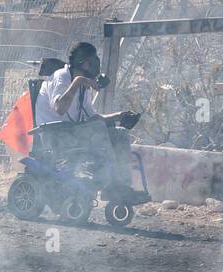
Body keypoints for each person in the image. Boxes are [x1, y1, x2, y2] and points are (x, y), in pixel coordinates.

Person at [34, 41, 145, 203]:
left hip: (71, 133)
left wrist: (118, 116)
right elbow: (59, 108)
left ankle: (120, 186)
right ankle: (107, 183)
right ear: (83, 62)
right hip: (55, 135)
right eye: (92, 60)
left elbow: (92, 117)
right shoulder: (61, 77)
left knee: (119, 133)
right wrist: (78, 81)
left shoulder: (82, 85)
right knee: (97, 129)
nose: (96, 65)